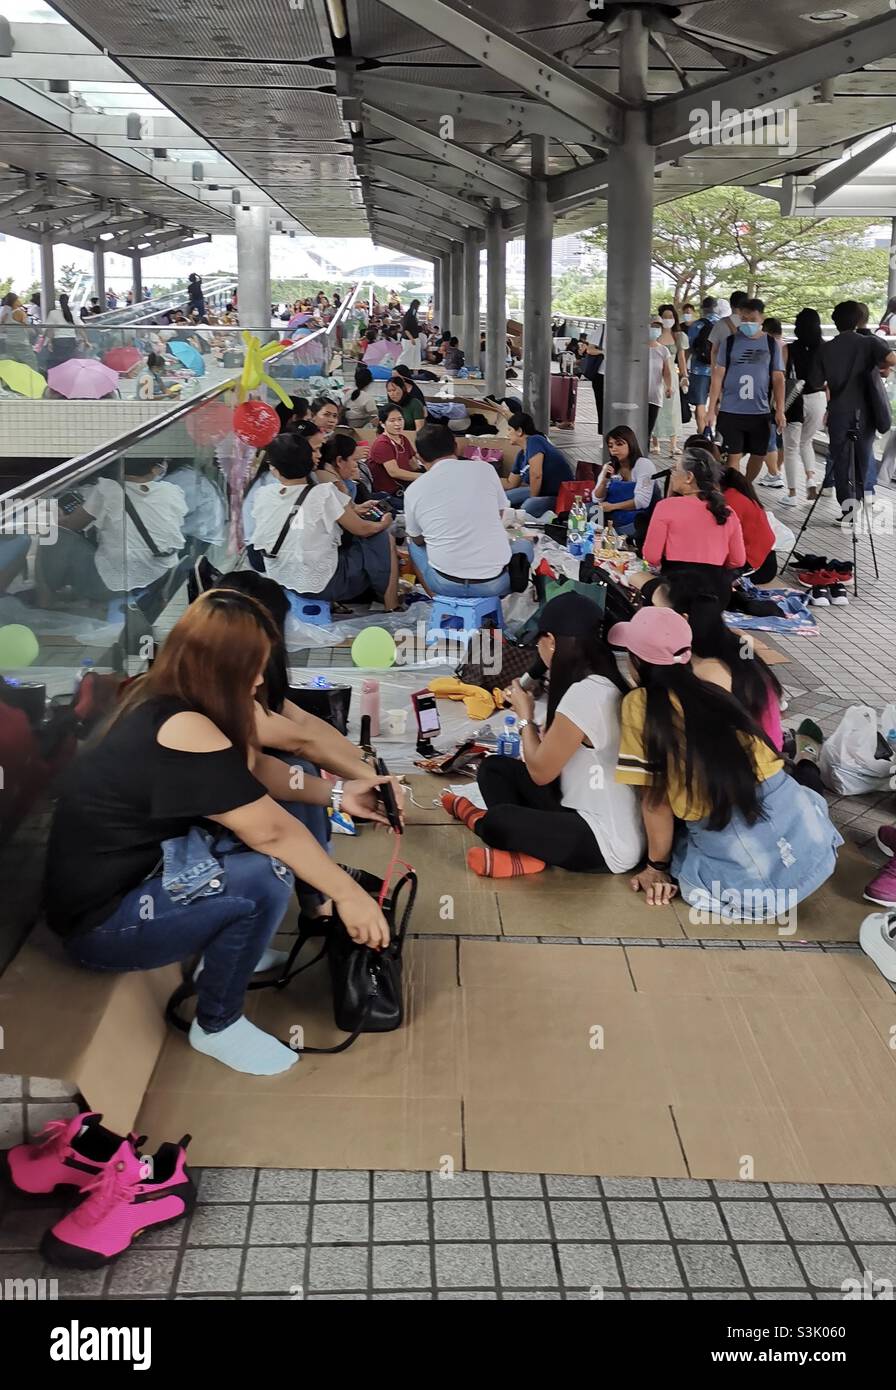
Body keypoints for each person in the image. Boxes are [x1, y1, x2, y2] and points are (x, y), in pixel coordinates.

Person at [45, 589, 396, 1076]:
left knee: (276, 819)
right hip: (104, 925)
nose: (258, 680)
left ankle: (231, 951)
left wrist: (339, 796)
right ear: (220, 665)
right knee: (264, 872)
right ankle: (217, 1024)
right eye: (252, 667)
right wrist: (349, 895)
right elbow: (271, 832)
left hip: (151, 865)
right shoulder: (181, 724)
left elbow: (255, 774)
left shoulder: (172, 694)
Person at [609, 605, 841, 915]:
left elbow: (656, 801)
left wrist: (656, 866)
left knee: (688, 874)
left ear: (636, 662)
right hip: (810, 845)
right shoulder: (712, 683)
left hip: (746, 866)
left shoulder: (640, 705)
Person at [442, 592, 644, 879]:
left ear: (551, 641)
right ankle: (527, 854)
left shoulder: (587, 694)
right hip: (575, 805)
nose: (537, 648)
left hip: (603, 839)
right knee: (494, 769)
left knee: (500, 820)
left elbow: (539, 772)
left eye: (539, 641)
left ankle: (481, 823)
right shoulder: (603, 679)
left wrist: (524, 715)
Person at [250, 433, 399, 609]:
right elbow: (363, 529)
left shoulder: (264, 494)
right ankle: (392, 606)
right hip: (323, 585)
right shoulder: (323, 493)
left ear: (274, 468)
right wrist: (384, 523)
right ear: (310, 459)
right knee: (383, 538)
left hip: (280, 579)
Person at [651, 568, 784, 749]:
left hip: (753, 766)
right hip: (771, 752)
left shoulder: (704, 670)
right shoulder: (738, 641)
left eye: (659, 614)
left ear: (683, 618)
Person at [403, 422, 533, 599]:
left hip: (445, 583)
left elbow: (417, 538)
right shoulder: (485, 469)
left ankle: (436, 599)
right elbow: (501, 515)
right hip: (494, 583)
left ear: (419, 457)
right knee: (524, 544)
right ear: (456, 447)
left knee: (411, 541)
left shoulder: (413, 490)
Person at [36, 458, 187, 606]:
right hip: (161, 579)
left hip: (115, 585)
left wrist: (57, 517)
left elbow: (71, 525)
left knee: (52, 534)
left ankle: (45, 598)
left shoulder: (107, 489)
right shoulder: (172, 491)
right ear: (155, 469)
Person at [821, 299, 896, 519]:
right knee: (864, 453)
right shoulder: (871, 342)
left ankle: (848, 510)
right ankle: (867, 492)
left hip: (839, 411)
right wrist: (878, 368)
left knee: (841, 461)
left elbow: (816, 381)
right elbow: (890, 359)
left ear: (836, 322)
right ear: (859, 320)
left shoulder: (827, 347)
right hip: (866, 412)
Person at [707, 298, 786, 482]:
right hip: (731, 411)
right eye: (744, 319)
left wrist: (780, 410)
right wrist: (711, 409)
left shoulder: (771, 344)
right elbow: (718, 375)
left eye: (752, 319)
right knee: (732, 456)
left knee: (758, 454)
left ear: (762, 318)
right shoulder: (730, 342)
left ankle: (745, 487)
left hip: (760, 412)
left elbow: (778, 378)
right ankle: (734, 491)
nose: (747, 323)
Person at [642, 446, 745, 582]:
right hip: (716, 591)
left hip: (675, 587)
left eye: (675, 470)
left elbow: (651, 556)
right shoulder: (727, 512)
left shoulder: (666, 507)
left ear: (689, 477)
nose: (672, 475)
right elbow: (738, 560)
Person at [782, 307, 826, 507]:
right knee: (806, 442)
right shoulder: (825, 348)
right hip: (818, 398)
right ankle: (811, 479)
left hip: (795, 398)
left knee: (790, 448)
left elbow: (781, 377)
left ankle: (791, 494)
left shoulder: (789, 349)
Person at [502, 411, 573, 518]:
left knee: (528, 507)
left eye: (509, 430)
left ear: (519, 431)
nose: (507, 434)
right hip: (541, 492)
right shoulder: (521, 455)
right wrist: (488, 479)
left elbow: (536, 475)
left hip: (558, 495)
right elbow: (510, 483)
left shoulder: (535, 441)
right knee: (504, 499)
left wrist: (532, 498)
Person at [593, 425, 656, 536]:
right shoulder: (609, 467)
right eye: (610, 446)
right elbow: (596, 498)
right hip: (610, 515)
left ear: (631, 444)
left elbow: (642, 501)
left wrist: (613, 506)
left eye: (619, 444)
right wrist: (604, 481)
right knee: (590, 511)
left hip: (634, 516)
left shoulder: (644, 465)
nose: (614, 449)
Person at [719, 464, 777, 584]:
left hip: (756, 566)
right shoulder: (737, 494)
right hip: (761, 560)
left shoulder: (731, 499)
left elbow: (717, 535)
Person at [652, 305, 689, 456]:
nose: (668, 320)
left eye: (671, 316)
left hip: (672, 375)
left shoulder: (679, 336)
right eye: (665, 316)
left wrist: (685, 376)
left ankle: (673, 444)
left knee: (673, 409)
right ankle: (655, 443)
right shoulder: (654, 334)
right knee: (655, 406)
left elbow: (681, 358)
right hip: (654, 374)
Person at [367, 404, 424, 497]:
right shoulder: (382, 443)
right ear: (382, 424)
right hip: (391, 493)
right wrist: (423, 477)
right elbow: (394, 472)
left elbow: (413, 465)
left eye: (400, 419)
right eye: (392, 421)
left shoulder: (403, 439)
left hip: (406, 486)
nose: (398, 424)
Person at [686, 296, 719, 432]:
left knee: (700, 404)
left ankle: (703, 433)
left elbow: (689, 347)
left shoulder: (696, 325)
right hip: (718, 369)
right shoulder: (722, 323)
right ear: (716, 307)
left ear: (702, 309)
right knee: (718, 402)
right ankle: (719, 433)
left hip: (699, 369)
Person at [318, 434, 372, 504]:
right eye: (354, 460)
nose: (356, 465)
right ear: (339, 461)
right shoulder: (334, 487)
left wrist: (357, 509)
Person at [708, 290, 749, 367]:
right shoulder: (751, 324)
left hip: (725, 369)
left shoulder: (720, 323)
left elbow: (714, 351)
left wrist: (714, 370)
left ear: (731, 305)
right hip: (746, 370)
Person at [647, 317, 672, 437]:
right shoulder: (637, 348)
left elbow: (666, 372)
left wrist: (669, 387)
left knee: (647, 430)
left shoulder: (663, 350)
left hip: (654, 396)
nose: (654, 329)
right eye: (652, 326)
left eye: (657, 327)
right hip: (637, 395)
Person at [580, 327, 605, 436]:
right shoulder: (603, 329)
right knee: (601, 406)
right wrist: (603, 352)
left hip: (620, 375)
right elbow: (590, 350)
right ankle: (604, 434)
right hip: (601, 374)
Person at [342, 364, 379, 429]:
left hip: (347, 425)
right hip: (361, 428)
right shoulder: (368, 398)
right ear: (370, 381)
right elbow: (375, 414)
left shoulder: (348, 393)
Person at [398, 298, 422, 369]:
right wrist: (411, 338)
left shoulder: (413, 315)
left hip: (414, 337)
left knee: (415, 356)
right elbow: (406, 328)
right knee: (406, 356)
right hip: (409, 339)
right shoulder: (409, 315)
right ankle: (400, 368)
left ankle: (414, 370)